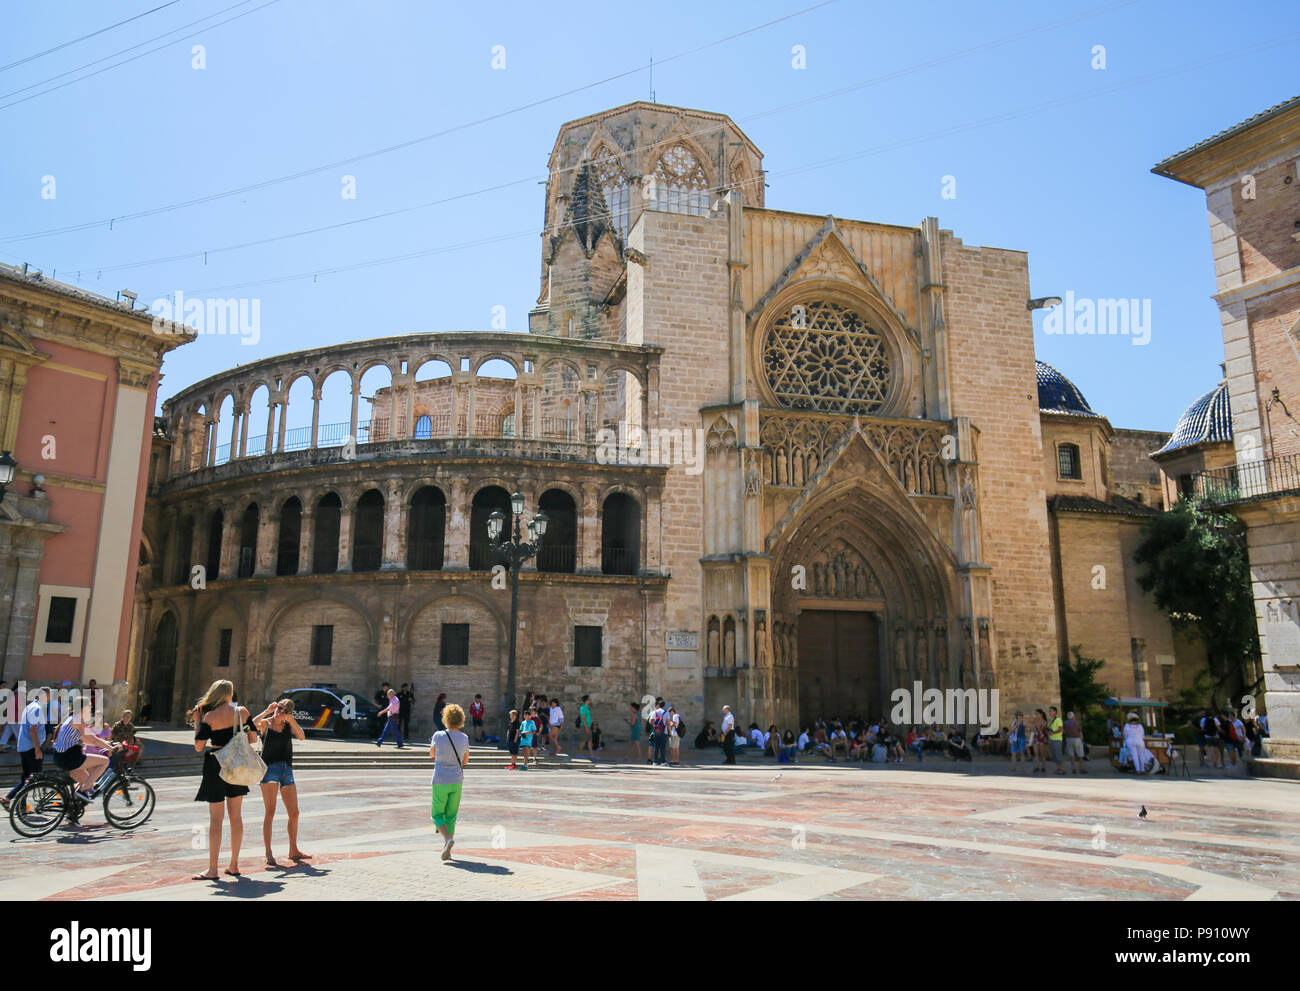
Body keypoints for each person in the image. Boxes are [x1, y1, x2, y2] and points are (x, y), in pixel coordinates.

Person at [189, 680, 259, 880]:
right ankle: (234, 865)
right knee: (236, 817)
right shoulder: (243, 712)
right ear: (230, 695)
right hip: (237, 764)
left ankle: (212, 869)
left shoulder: (209, 716)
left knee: (216, 819)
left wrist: (198, 722)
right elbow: (253, 738)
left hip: (216, 765)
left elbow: (198, 746)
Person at [254, 698, 310, 866]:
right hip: (269, 770)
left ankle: (293, 850)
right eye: (279, 708)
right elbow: (250, 723)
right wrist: (267, 711)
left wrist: (292, 721)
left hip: (286, 770)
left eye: (284, 710)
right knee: (270, 812)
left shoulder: (287, 725)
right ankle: (268, 853)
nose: (280, 712)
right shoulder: (266, 723)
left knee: (294, 813)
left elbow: (302, 737)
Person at [52, 699, 119, 801]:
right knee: (105, 761)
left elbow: (88, 740)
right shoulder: (77, 721)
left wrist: (108, 744)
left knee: (86, 780)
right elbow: (93, 739)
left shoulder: (72, 719)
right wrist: (110, 748)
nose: (90, 710)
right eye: (89, 707)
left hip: (61, 756)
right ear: (83, 708)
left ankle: (70, 806)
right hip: (69, 757)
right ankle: (82, 791)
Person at [429, 702, 470, 862]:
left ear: (446, 718)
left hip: (440, 779)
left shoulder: (438, 735)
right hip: (457, 779)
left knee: (437, 814)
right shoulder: (464, 737)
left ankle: (447, 839)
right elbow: (465, 761)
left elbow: (432, 755)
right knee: (451, 815)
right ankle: (448, 850)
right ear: (460, 719)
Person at [2, 687, 51, 810]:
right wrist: (37, 748)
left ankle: (15, 802)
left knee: (27, 777)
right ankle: (17, 801)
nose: (50, 699)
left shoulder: (29, 707)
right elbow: (32, 730)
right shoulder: (37, 709)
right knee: (34, 778)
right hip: (31, 748)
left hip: (24, 747)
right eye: (49, 696)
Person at [1047, 706, 1066, 775]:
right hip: (1052, 739)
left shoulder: (1058, 719)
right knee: (1055, 756)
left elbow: (1061, 729)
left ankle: (1062, 769)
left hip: (1057, 740)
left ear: (1055, 712)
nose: (1049, 712)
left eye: (1051, 711)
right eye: (1049, 711)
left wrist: (1053, 732)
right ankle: (1059, 769)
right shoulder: (1052, 719)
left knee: (1058, 755)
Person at [650, 700, 669, 766]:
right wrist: (669, 732)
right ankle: (663, 761)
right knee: (662, 747)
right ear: (664, 706)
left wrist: (655, 726)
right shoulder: (666, 712)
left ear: (658, 705)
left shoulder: (655, 712)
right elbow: (668, 722)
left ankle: (655, 761)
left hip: (656, 731)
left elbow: (650, 721)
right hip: (664, 731)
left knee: (656, 746)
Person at [578, 695, 595, 759]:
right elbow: (583, 718)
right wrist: (586, 728)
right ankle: (579, 754)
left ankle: (592, 755)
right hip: (585, 727)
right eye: (589, 699)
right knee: (583, 740)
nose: (590, 700)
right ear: (586, 700)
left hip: (588, 726)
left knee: (590, 741)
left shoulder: (587, 707)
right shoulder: (583, 708)